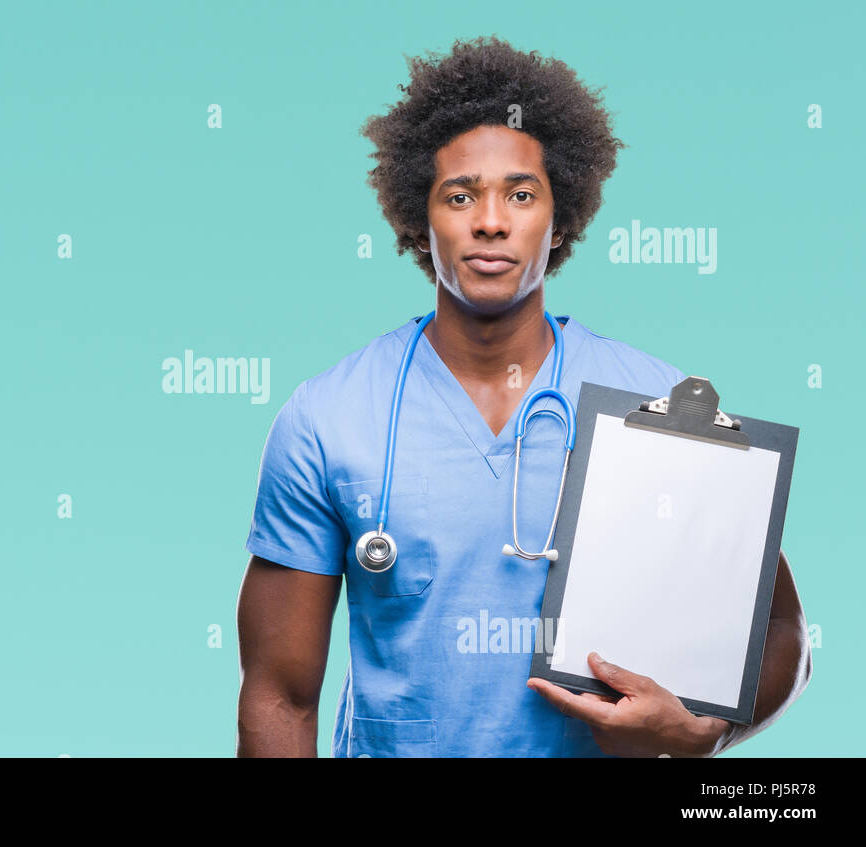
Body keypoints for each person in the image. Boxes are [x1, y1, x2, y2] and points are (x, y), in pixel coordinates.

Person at [235, 36, 811, 758]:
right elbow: (280, 695)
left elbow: (782, 629)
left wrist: (705, 729)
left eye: (520, 193)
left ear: (561, 215)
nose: (490, 221)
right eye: (460, 195)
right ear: (420, 217)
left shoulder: (659, 409)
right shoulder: (327, 420)